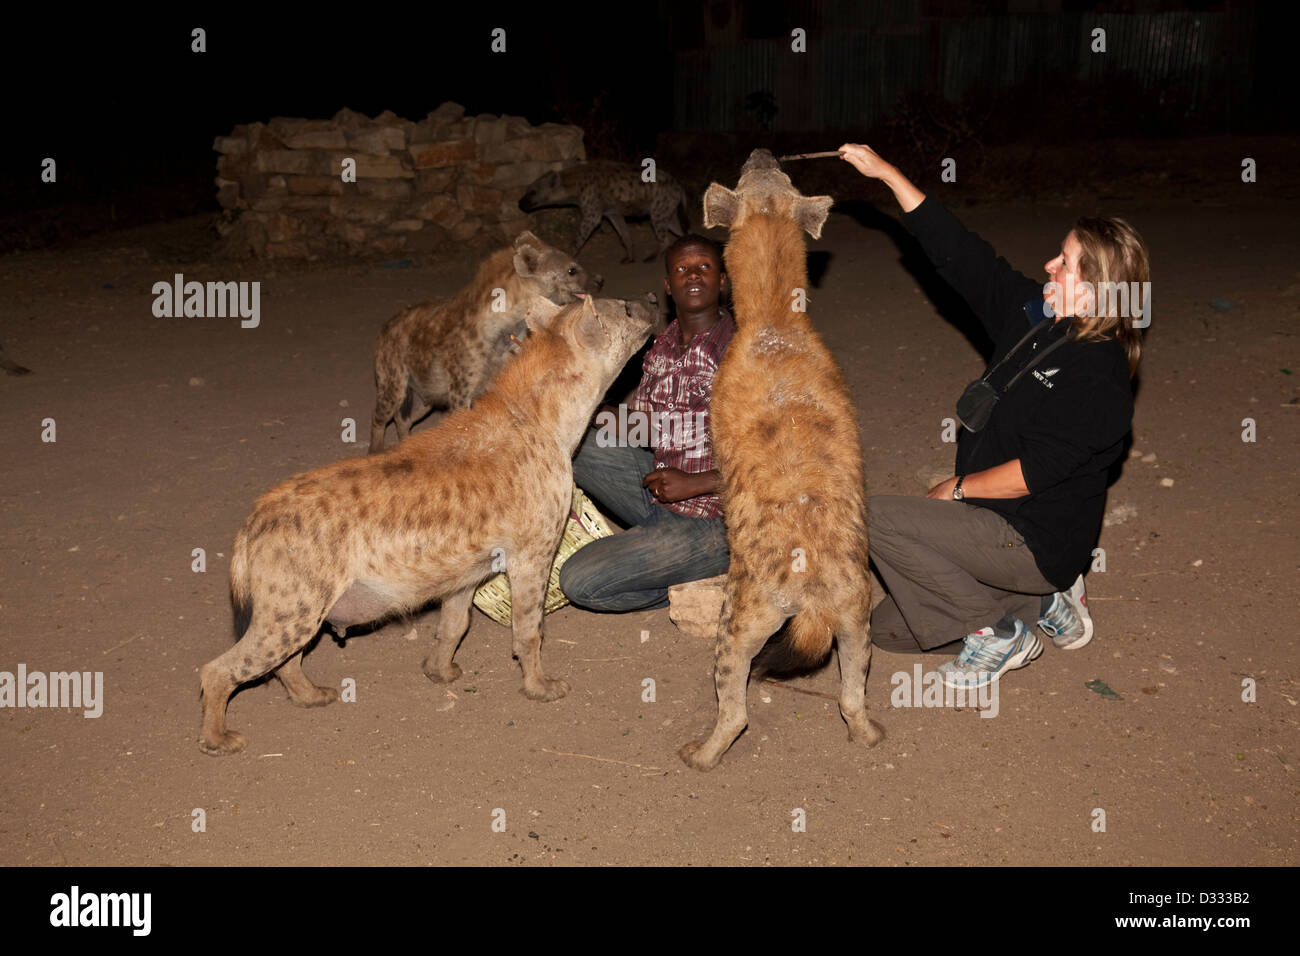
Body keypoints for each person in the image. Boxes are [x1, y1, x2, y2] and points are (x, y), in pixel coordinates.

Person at [837, 142, 1149, 688]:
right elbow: (964, 256)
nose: (1050, 264)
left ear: (1099, 292)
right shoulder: (1038, 316)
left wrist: (957, 489)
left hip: (1034, 539)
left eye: (1066, 262)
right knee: (891, 629)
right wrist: (887, 174)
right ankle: (1039, 608)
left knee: (869, 517)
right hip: (996, 525)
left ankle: (994, 633)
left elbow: (1034, 473)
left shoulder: (1099, 379)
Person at [558, 234, 734, 611]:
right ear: (668, 286)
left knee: (579, 582)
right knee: (573, 442)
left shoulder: (743, 352)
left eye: (705, 266)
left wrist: (696, 483)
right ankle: (657, 552)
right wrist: (583, 403)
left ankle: (711, 577)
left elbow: (781, 461)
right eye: (682, 269)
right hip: (662, 486)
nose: (693, 276)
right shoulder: (664, 344)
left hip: (718, 519)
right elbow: (648, 429)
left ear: (722, 280)